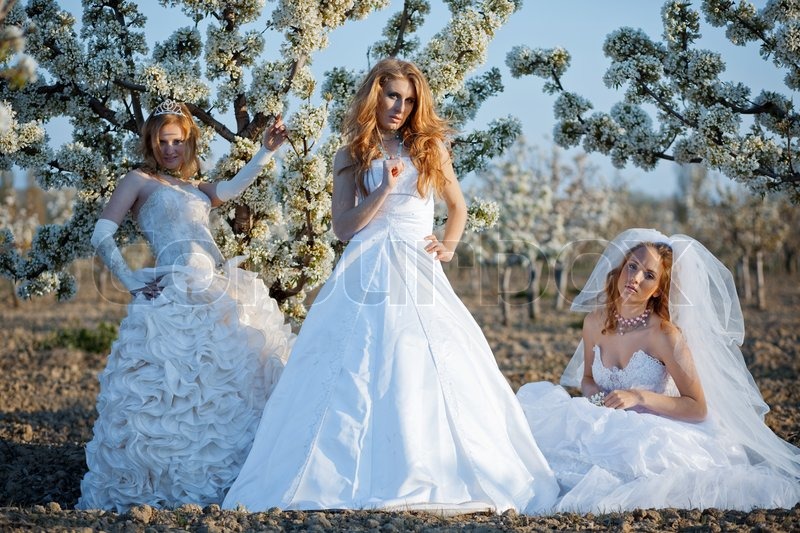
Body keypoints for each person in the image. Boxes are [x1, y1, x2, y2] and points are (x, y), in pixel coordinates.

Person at [222, 58, 559, 514]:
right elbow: (343, 228)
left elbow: (457, 207)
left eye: (409, 100)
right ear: (374, 97)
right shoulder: (350, 154)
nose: (400, 107)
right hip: (364, 266)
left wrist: (448, 246)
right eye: (393, 96)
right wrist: (381, 191)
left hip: (417, 265)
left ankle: (427, 466)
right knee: (352, 364)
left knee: (422, 359)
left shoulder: (430, 148)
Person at [76, 100, 295, 512]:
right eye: (162, 141)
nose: (170, 149)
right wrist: (130, 280)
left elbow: (232, 189)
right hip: (173, 293)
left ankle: (238, 482)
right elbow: (101, 234)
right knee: (174, 393)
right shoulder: (139, 180)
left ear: (189, 141)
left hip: (218, 290)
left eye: (177, 141)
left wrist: (266, 151)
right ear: (151, 143)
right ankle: (171, 485)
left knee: (225, 389)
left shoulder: (196, 188)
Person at [516, 228, 800, 512]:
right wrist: (597, 398)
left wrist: (640, 397)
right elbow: (588, 379)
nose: (635, 278)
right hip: (602, 421)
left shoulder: (665, 335)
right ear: (621, 267)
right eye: (632, 266)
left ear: (659, 290)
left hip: (653, 433)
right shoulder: (594, 322)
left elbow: (697, 407)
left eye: (649, 275)